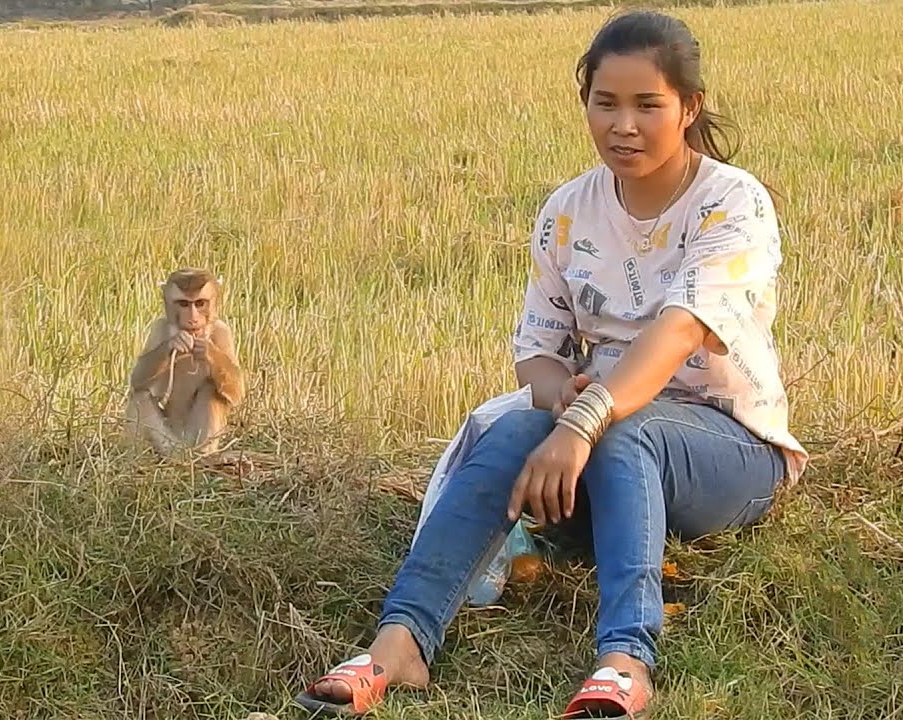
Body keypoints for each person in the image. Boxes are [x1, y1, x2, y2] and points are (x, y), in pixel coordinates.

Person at [294, 9, 808, 718]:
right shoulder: (568, 211)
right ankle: (401, 642)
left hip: (729, 452)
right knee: (509, 433)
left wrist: (582, 423)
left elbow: (681, 328)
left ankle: (626, 655)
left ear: (688, 109)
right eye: (606, 103)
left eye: (647, 105)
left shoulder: (731, 201)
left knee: (630, 429)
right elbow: (538, 351)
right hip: (604, 456)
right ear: (585, 104)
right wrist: (558, 400)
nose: (623, 125)